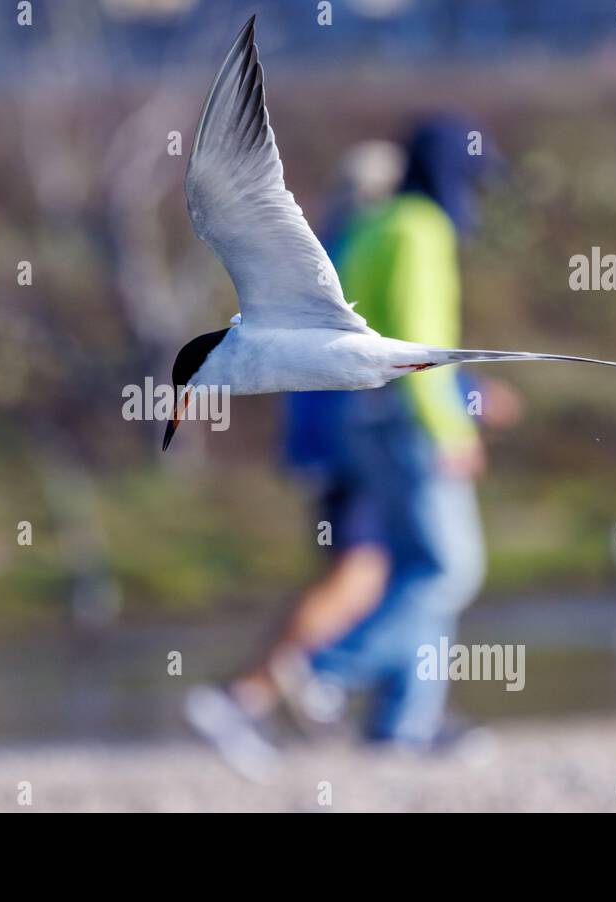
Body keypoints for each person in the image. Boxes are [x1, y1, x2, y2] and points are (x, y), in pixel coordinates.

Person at [186, 118, 518, 775]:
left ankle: (401, 724)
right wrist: (452, 422)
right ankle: (320, 674)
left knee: (410, 571)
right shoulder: (419, 229)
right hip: (397, 418)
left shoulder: (362, 230)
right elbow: (414, 336)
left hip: (356, 423)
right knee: (444, 570)